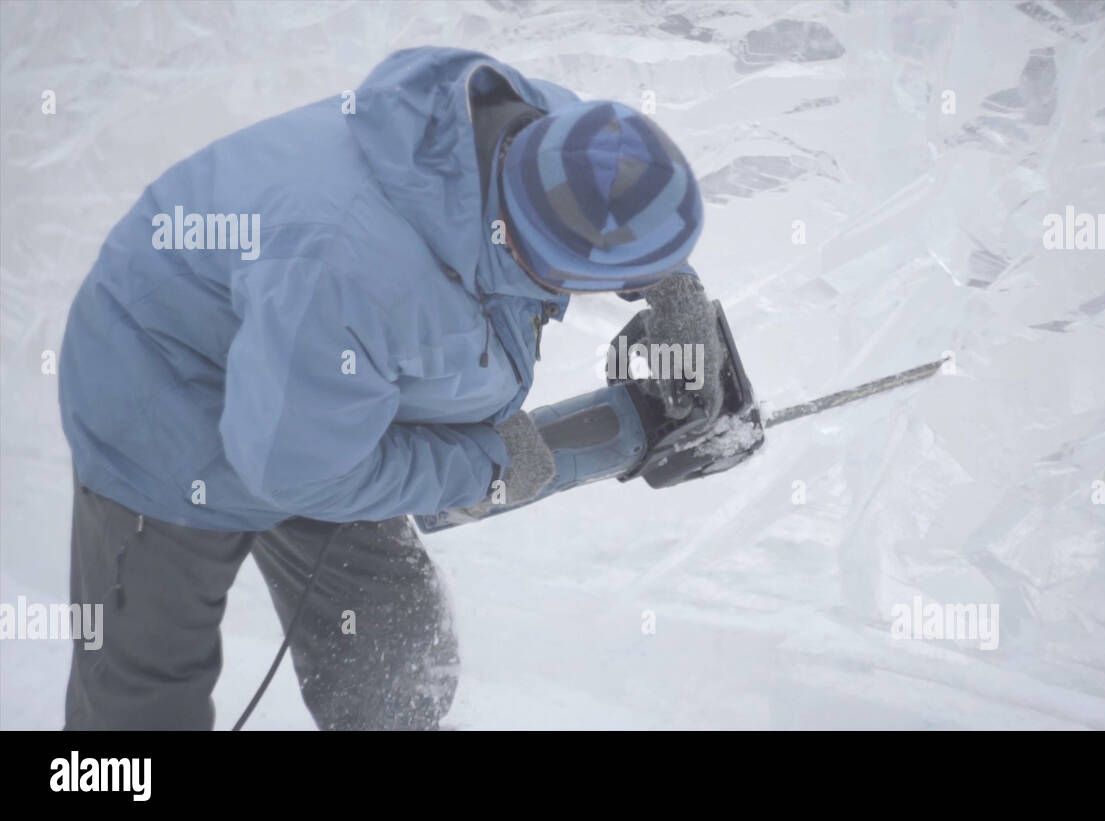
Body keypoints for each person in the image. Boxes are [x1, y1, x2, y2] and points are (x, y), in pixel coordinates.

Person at [57, 47, 719, 730]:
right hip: (161, 397)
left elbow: (612, 188)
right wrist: (483, 467)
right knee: (138, 703)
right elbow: (292, 470)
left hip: (311, 392)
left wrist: (670, 282)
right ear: (546, 263)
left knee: (395, 646)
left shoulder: (547, 136)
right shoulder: (356, 273)